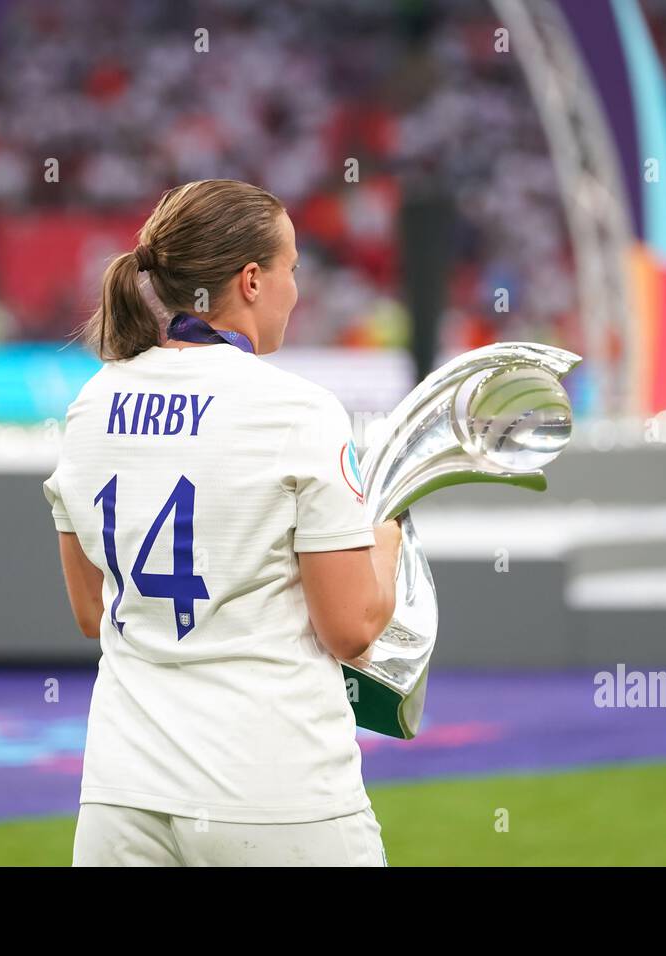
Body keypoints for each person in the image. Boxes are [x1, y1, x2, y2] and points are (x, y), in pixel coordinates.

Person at [43, 179, 402, 866]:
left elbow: (92, 612)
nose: (298, 289)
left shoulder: (92, 403)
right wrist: (388, 536)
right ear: (251, 280)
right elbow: (352, 629)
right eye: (291, 268)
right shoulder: (296, 408)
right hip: (274, 792)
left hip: (123, 793)